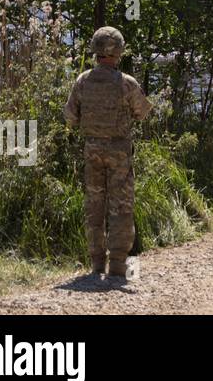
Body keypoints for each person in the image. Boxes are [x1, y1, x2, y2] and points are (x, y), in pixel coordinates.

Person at [63, 26, 152, 280]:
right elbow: (142, 113)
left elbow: (70, 117)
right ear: (119, 52)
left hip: (92, 151)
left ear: (95, 51)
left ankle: (96, 264)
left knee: (94, 205)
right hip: (119, 152)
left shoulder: (83, 81)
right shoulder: (126, 83)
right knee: (121, 207)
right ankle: (117, 266)